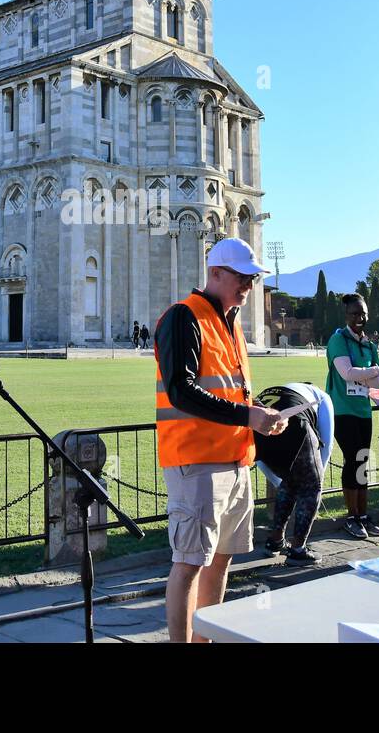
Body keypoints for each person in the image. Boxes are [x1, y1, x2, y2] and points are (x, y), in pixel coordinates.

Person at [154, 237, 287, 643]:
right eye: (242, 278)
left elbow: (231, 392)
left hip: (234, 459)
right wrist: (250, 416)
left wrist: (261, 420)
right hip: (196, 463)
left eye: (252, 279)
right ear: (215, 273)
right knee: (190, 563)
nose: (248, 287)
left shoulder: (230, 325)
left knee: (220, 560)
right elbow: (181, 390)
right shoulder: (184, 317)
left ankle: (204, 638)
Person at [327, 293, 379, 539]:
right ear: (346, 315)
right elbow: (347, 373)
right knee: (352, 460)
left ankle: (363, 515)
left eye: (362, 313)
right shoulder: (338, 340)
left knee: (362, 461)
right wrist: (372, 370)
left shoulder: (369, 345)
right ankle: (351, 517)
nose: (359, 318)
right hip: (343, 410)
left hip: (363, 409)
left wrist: (370, 373)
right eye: (354, 313)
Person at [254, 383, 334, 566]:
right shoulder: (323, 397)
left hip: (258, 426)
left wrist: (278, 480)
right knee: (310, 486)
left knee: (288, 483)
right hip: (293, 422)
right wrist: (317, 479)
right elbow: (327, 443)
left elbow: (259, 458)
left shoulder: (286, 389)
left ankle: (274, 540)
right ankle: (298, 549)